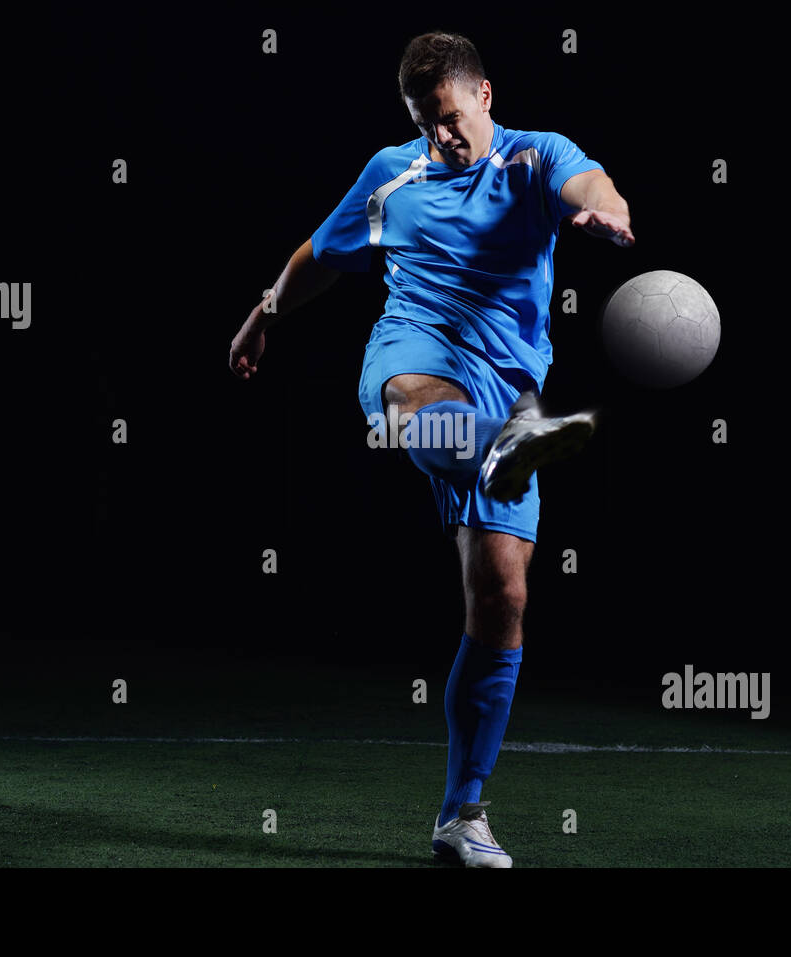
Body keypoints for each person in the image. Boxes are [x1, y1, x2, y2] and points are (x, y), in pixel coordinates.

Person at [229, 31, 633, 867]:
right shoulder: (393, 172)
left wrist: (608, 212)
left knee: (504, 599)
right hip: (417, 352)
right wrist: (265, 311)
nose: (441, 137)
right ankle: (496, 445)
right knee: (416, 405)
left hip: (510, 389)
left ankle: (462, 814)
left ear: (484, 95)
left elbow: (588, 181)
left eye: (450, 118)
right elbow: (321, 255)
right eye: (425, 123)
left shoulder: (534, 157)